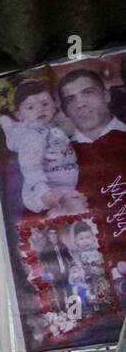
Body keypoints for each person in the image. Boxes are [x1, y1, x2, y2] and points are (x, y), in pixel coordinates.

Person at [59, 68, 126, 281]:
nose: (80, 104)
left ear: (106, 95)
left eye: (88, 92)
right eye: (71, 100)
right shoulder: (58, 160)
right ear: (65, 111)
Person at [0, 79, 80, 214]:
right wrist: (43, 191)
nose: (40, 109)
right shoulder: (32, 136)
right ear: (19, 115)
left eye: (45, 103)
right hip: (43, 190)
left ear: (55, 104)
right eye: (30, 107)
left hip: (63, 185)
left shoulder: (53, 128)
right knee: (62, 214)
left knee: (72, 212)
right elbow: (30, 166)